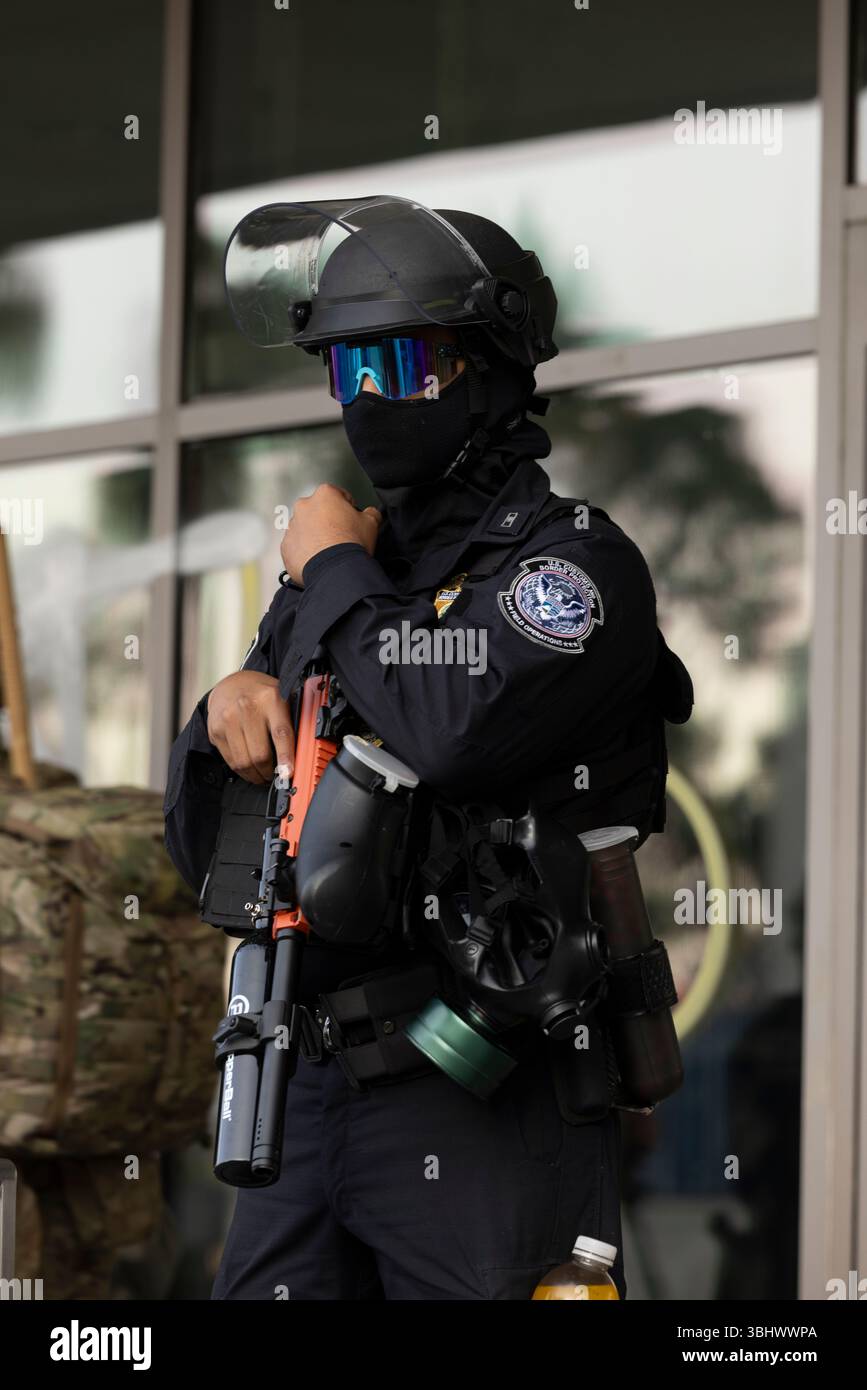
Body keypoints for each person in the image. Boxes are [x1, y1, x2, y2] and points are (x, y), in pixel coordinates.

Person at [163, 197, 693, 1300]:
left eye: (398, 364)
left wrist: (330, 575)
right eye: (344, 370)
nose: (364, 400)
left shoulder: (572, 569)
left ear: (490, 366)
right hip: (302, 1087)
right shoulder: (345, 569)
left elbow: (448, 725)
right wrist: (226, 715)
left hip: (487, 1083)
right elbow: (210, 855)